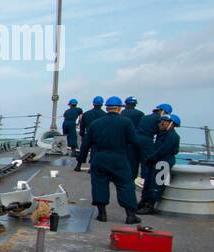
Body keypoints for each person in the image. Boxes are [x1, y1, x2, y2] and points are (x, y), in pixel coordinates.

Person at [79, 96, 145, 224]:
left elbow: (86, 144)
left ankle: (102, 214)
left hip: (99, 158)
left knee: (99, 184)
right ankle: (130, 215)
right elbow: (134, 140)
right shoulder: (126, 122)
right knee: (125, 185)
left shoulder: (96, 123)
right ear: (119, 108)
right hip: (119, 158)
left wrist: (80, 161)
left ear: (107, 108)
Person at [138, 114, 180, 214]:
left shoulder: (172, 136)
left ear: (172, 124)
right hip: (157, 161)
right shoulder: (163, 134)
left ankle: (150, 206)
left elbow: (163, 150)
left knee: (156, 184)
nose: (161, 123)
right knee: (148, 183)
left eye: (165, 122)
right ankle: (143, 201)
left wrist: (152, 158)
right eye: (162, 121)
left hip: (163, 162)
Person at [74, 96, 106, 171]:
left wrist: (82, 134)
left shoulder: (86, 114)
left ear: (93, 104)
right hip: (99, 136)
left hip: (88, 134)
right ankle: (91, 168)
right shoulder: (104, 115)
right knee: (95, 151)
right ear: (102, 104)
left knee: (83, 150)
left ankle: (78, 166)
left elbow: (82, 125)